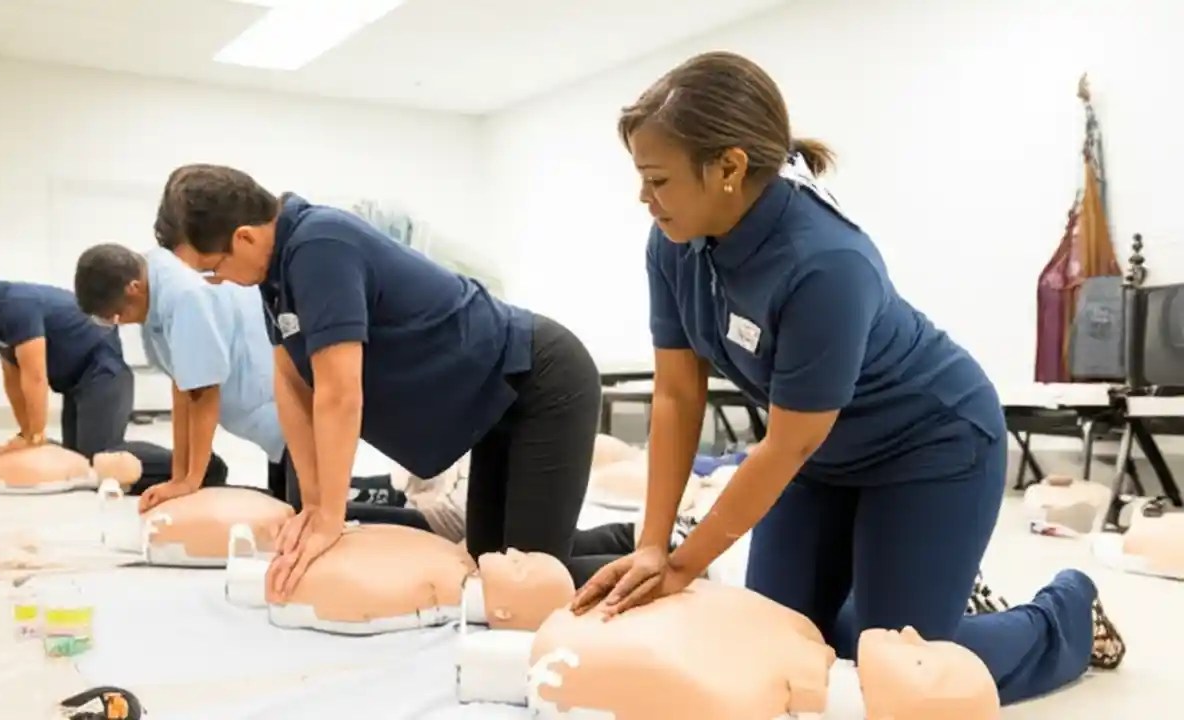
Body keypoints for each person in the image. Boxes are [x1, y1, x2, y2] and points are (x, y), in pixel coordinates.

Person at [570, 51, 1124, 705]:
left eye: (656, 179)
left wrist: (682, 568)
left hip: (931, 444)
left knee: (888, 668)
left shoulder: (826, 261)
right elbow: (677, 393)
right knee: (784, 641)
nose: (644, 197)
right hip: (819, 460)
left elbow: (787, 443)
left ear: (728, 168)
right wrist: (652, 546)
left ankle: (1065, 616)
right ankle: (929, 595)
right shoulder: (672, 243)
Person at [150, 163, 602, 600]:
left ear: (244, 237)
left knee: (526, 584)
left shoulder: (318, 246)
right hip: (496, 403)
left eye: (211, 269)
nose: (215, 282)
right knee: (488, 563)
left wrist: (332, 515)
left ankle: (658, 568)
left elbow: (340, 393)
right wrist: (313, 506)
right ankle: (635, 551)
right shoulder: (275, 275)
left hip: (540, 381)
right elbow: (292, 384)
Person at [73, 242, 277, 511]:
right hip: (261, 414)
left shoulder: (185, 297)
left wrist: (192, 480)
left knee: (302, 509)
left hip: (277, 409)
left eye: (119, 315)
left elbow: (204, 394)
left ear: (133, 288)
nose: (121, 322)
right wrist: (179, 477)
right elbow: (183, 386)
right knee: (286, 502)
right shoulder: (151, 283)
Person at [0, 261, 134, 459]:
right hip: (76, 382)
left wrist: (35, 436)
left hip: (103, 371)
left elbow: (35, 375)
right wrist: (25, 433)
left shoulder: (14, 305)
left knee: (100, 457)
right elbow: (13, 376)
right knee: (76, 457)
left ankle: (167, 466)